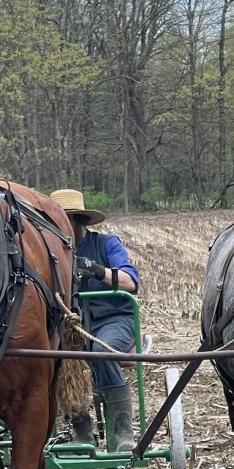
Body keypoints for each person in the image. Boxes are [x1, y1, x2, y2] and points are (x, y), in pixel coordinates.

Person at [49, 188, 141, 453]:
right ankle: (82, 432)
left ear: (79, 220)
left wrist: (98, 271)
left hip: (113, 319)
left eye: (65, 220)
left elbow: (131, 283)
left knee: (101, 352)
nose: (60, 227)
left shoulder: (106, 244)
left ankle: (123, 433)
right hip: (70, 324)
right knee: (57, 359)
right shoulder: (50, 250)